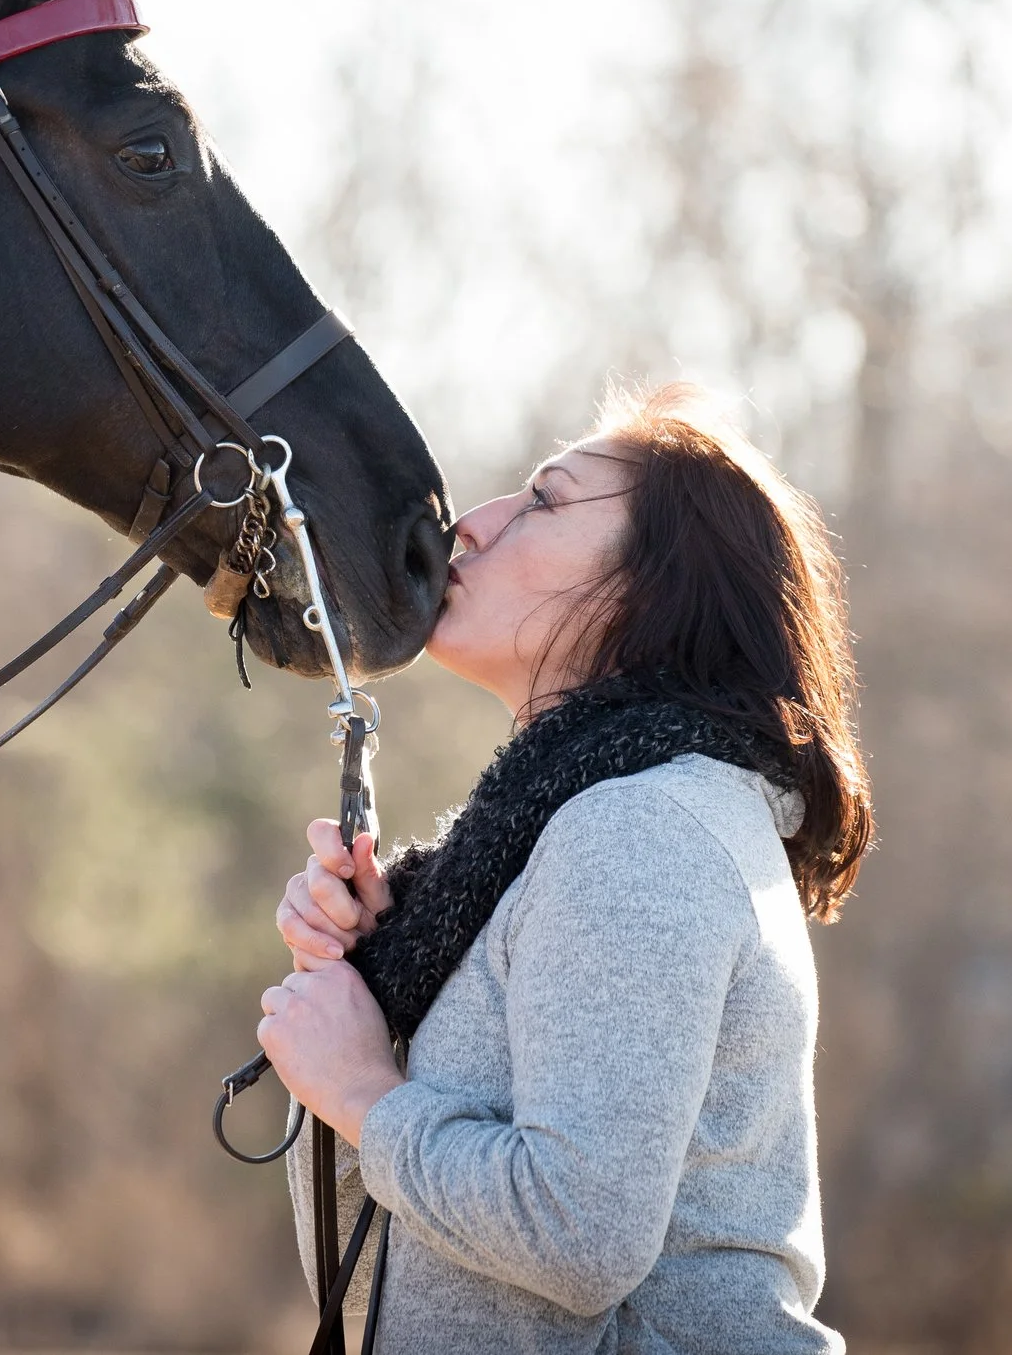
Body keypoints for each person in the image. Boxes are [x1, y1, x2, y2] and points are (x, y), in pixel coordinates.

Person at [258, 382, 873, 1353]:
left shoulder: (639, 829)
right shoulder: (566, 831)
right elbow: (399, 1250)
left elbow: (576, 1235)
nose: (469, 525)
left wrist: (365, 1092)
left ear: (654, 583)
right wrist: (369, 980)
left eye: (543, 499)